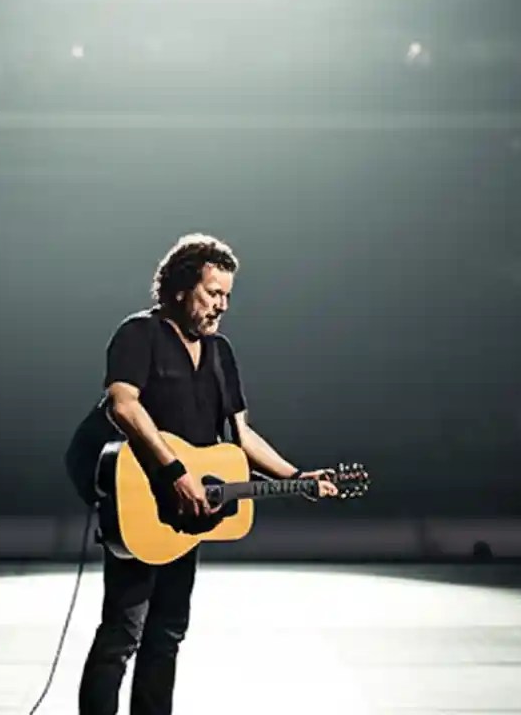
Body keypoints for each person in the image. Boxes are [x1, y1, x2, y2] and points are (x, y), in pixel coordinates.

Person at [77, 233, 339, 715]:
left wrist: (300, 476)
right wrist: (174, 470)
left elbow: (242, 435)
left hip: (189, 514)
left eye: (226, 297)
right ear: (180, 288)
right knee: (122, 633)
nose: (220, 306)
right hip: (146, 497)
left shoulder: (220, 353)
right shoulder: (140, 334)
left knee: (168, 634)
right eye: (212, 293)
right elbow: (122, 404)